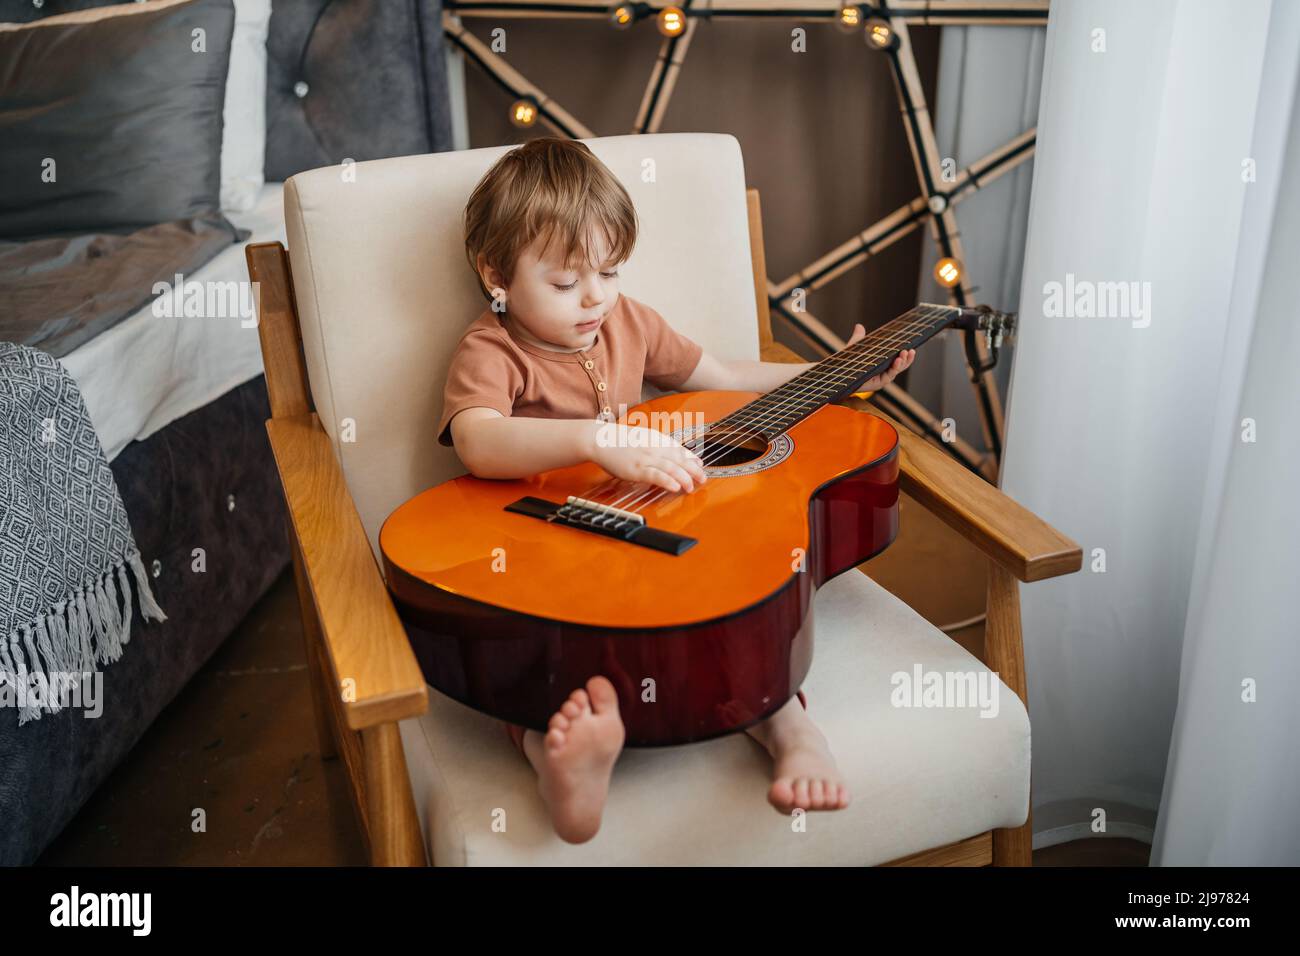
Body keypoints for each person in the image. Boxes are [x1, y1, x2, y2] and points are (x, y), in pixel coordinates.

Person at [437, 137, 914, 843]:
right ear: (495, 273)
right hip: (539, 549)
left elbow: (720, 376)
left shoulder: (627, 322)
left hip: (645, 539)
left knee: (728, 617)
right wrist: (594, 439)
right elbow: (477, 438)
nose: (595, 297)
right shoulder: (493, 349)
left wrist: (836, 373)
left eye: (610, 270)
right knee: (535, 668)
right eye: (566, 283)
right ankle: (562, 766)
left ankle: (791, 730)